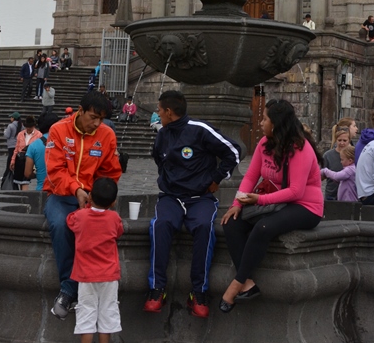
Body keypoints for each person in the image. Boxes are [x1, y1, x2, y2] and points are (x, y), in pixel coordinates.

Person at [220, 99, 323, 310]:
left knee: (263, 228)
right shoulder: (264, 144)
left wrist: (259, 200)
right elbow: (250, 177)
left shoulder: (300, 148)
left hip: (305, 206)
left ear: (275, 123)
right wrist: (237, 204)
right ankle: (248, 284)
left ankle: (236, 284)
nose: (260, 123)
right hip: (275, 203)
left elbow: (296, 191)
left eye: (265, 119)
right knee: (231, 222)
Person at [145, 89, 240, 318]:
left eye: (159, 110)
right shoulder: (163, 134)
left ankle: (199, 292)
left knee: (204, 228)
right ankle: (157, 289)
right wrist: (167, 180)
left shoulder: (199, 130)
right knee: (160, 225)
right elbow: (158, 159)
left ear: (168, 112)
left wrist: (216, 178)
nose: (157, 114)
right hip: (171, 197)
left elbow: (233, 152)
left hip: (200, 198)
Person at [44, 90, 122, 320]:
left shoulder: (107, 135)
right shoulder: (58, 130)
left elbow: (110, 172)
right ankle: (69, 288)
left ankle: (79, 289)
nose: (96, 123)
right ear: (80, 111)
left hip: (92, 198)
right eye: (93, 117)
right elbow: (54, 171)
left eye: (101, 119)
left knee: (97, 229)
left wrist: (98, 196)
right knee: (59, 224)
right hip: (61, 195)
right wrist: (75, 189)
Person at [66, 177, 123, 343]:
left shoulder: (81, 216)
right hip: (108, 275)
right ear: (113, 202)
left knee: (86, 314)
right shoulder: (114, 218)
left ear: (90, 196)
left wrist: (84, 208)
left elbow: (70, 221)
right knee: (107, 313)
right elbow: (119, 231)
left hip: (85, 275)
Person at [10, 117, 42, 190]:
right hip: (20, 160)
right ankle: (22, 195)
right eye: (27, 127)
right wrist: (13, 160)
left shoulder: (39, 135)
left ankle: (25, 197)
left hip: (31, 159)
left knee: (25, 181)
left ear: (34, 126)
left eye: (30, 127)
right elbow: (16, 149)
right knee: (20, 181)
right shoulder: (20, 134)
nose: (28, 128)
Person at [321, 127, 350, 201]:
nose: (342, 143)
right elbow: (321, 177)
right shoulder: (328, 155)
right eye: (339, 140)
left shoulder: (353, 154)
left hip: (347, 195)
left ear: (349, 140)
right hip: (331, 194)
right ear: (336, 140)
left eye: (345, 140)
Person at [1, 112, 22, 184]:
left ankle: (6, 176)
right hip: (19, 146)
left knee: (9, 161)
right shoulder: (21, 126)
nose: (10, 118)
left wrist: (4, 131)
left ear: (13, 118)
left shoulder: (10, 126)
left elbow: (7, 135)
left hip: (11, 145)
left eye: (11, 117)